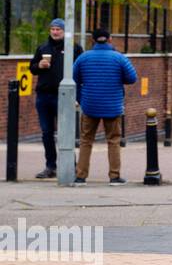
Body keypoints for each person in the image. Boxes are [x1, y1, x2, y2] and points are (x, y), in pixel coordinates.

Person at [72, 29, 137, 185]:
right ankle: (114, 176)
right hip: (112, 106)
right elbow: (132, 78)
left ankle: (81, 176)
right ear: (110, 39)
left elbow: (74, 78)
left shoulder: (83, 58)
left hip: (89, 105)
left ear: (92, 40)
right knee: (113, 140)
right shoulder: (119, 58)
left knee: (86, 140)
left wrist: (81, 98)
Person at [29, 18, 84, 179]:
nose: (55, 32)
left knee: (65, 132)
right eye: (52, 29)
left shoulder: (74, 48)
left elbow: (81, 74)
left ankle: (70, 166)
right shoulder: (43, 48)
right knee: (46, 133)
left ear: (64, 31)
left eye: (58, 29)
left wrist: (78, 97)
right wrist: (39, 65)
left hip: (65, 96)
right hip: (44, 96)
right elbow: (32, 68)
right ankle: (50, 166)